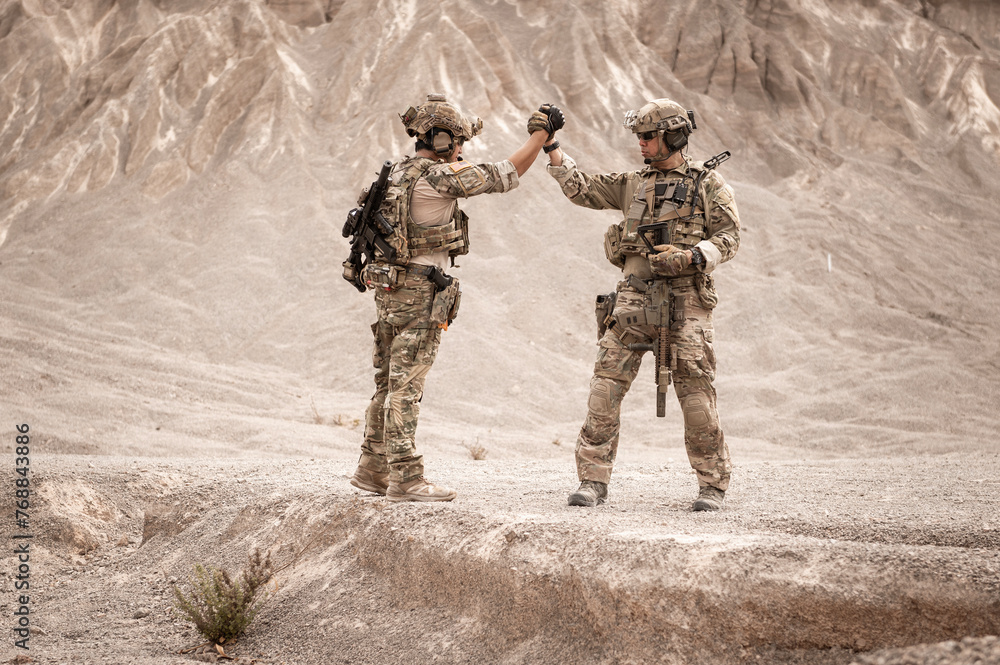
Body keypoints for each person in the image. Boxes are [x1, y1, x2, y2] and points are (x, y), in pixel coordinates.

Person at [348, 94, 563, 502]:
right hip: (420, 293)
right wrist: (539, 136)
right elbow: (505, 174)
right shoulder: (436, 177)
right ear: (443, 139)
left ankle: (371, 469)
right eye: (459, 141)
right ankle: (407, 479)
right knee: (406, 388)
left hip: (390, 291)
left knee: (386, 386)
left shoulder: (395, 174)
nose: (462, 150)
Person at [543, 98, 740, 511]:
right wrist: (550, 146)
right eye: (639, 137)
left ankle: (712, 484)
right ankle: (592, 481)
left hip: (686, 300)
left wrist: (691, 257)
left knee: (697, 397)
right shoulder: (633, 183)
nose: (642, 144)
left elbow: (729, 238)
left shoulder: (709, 185)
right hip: (633, 299)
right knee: (604, 389)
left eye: (649, 137)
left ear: (674, 136)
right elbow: (581, 188)